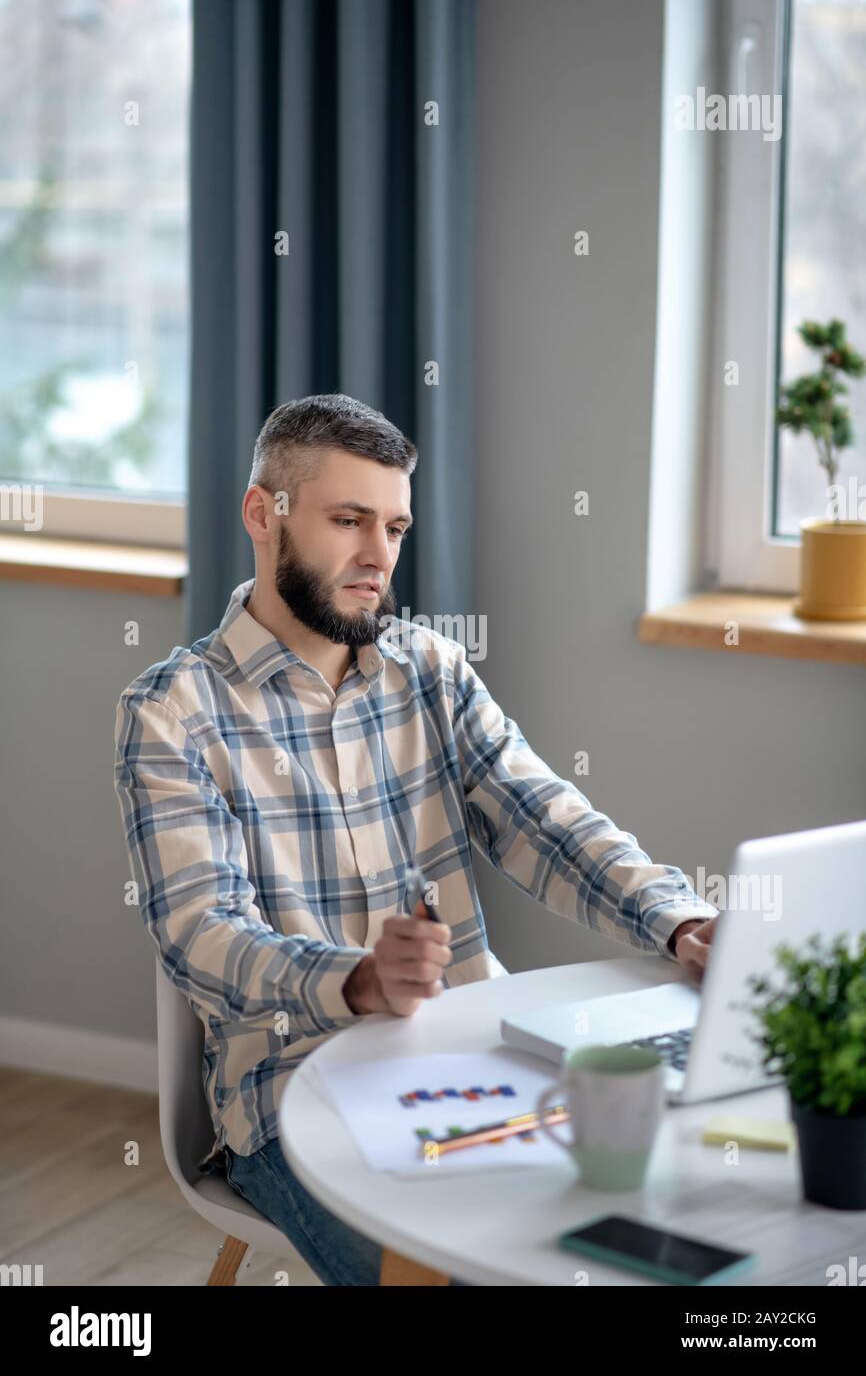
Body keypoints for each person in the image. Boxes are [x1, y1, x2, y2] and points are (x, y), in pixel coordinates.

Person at [114, 393, 718, 1287]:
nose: (378, 557)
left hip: (480, 1060)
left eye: (394, 526)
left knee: (667, 1233)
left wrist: (679, 922)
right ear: (262, 514)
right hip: (299, 1099)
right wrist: (352, 980)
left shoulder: (429, 670)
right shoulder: (173, 712)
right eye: (349, 520)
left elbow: (546, 822)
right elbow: (201, 936)